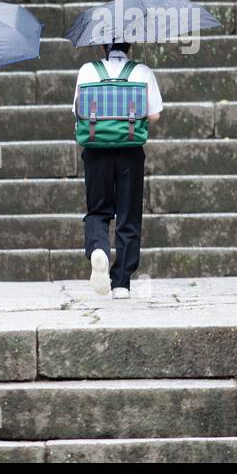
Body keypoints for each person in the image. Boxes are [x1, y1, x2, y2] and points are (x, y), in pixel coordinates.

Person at [74, 42, 162, 298]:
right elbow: (154, 114)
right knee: (129, 213)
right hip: (130, 151)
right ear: (130, 44)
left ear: (103, 45)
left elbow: (77, 111)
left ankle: (98, 248)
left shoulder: (87, 70)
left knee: (97, 209)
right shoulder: (142, 71)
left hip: (96, 150)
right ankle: (122, 282)